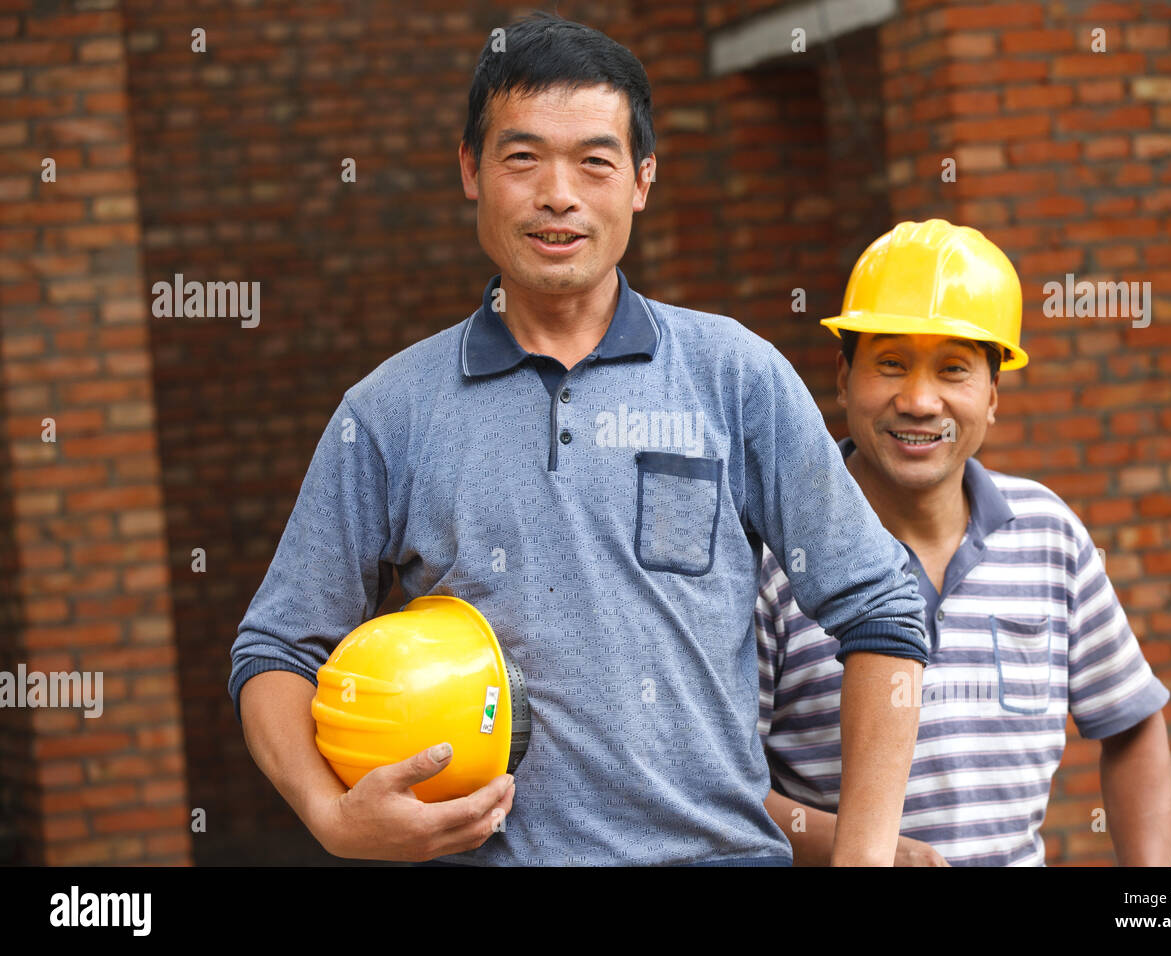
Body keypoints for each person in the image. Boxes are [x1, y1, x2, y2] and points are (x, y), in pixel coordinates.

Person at [229, 12, 928, 867]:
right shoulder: (387, 414)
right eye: (522, 158)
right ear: (470, 171)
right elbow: (274, 648)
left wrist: (863, 857)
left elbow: (884, 610)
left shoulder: (734, 376)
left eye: (594, 162)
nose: (557, 194)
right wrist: (331, 816)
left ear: (640, 181)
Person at [757, 219, 1171, 866]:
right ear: (842, 378)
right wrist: (872, 851)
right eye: (890, 364)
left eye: (954, 369)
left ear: (992, 396)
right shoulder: (774, 554)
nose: (920, 400)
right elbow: (722, 787)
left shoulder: (1048, 534)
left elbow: (1131, 724)